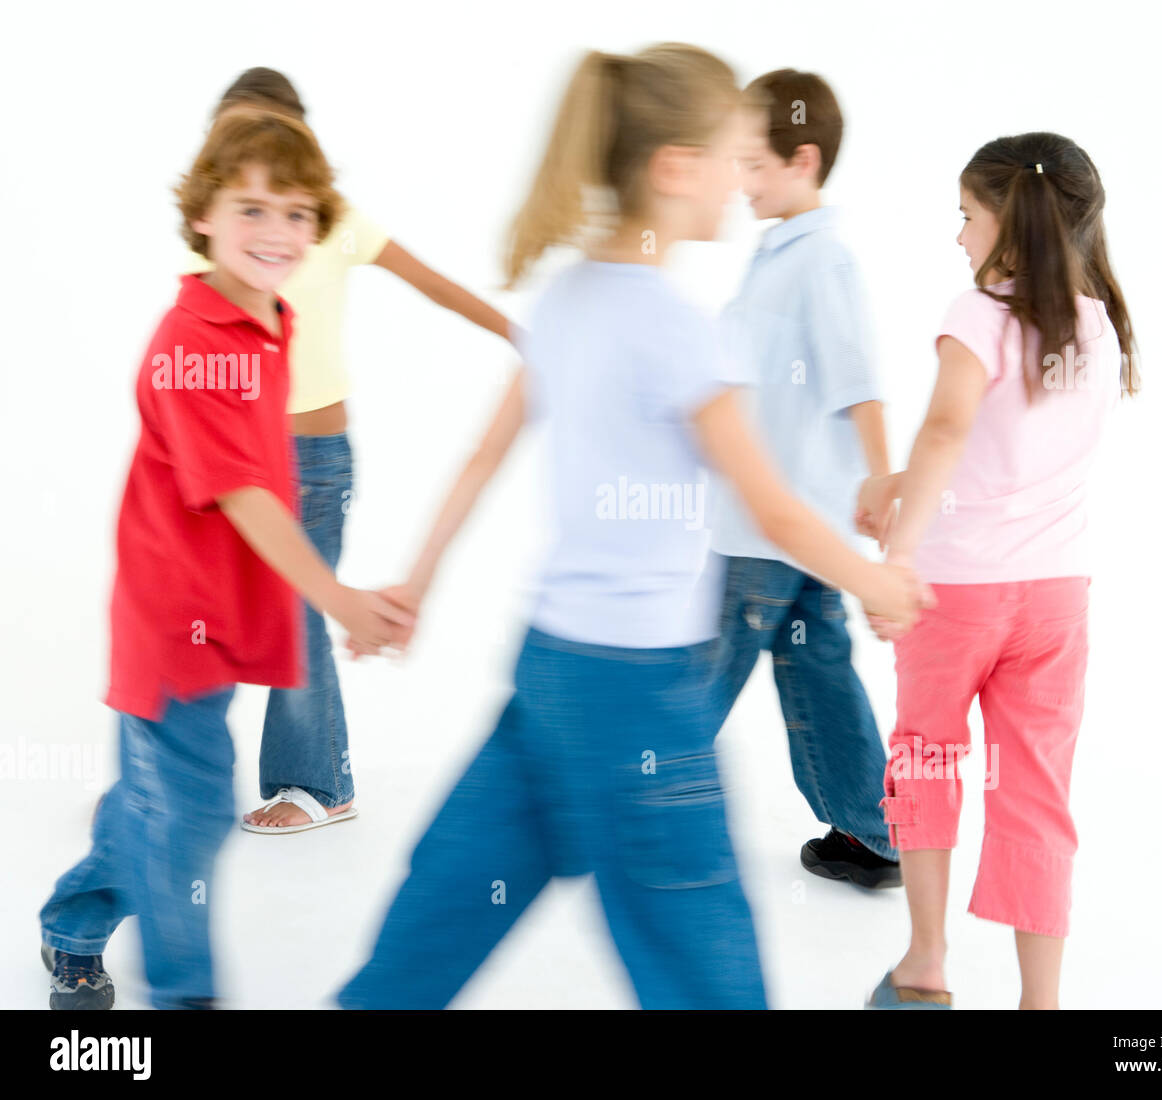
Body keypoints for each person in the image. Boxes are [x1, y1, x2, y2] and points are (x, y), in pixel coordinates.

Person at [336, 43, 927, 1010]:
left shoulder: (568, 296)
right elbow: (773, 504)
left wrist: (414, 583)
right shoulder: (676, 324)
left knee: (434, 923)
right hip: (640, 700)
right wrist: (876, 584)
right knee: (706, 965)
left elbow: (484, 457)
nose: (740, 183)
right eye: (730, 156)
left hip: (546, 675)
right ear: (673, 169)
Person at [40, 107, 413, 1010]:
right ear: (203, 214)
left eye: (294, 212)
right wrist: (339, 597)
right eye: (250, 209)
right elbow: (245, 495)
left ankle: (72, 926)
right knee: (197, 812)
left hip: (224, 614)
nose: (276, 232)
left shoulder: (270, 320)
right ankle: (183, 993)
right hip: (174, 623)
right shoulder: (195, 345)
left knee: (156, 801)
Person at [186, 68, 515, 834]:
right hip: (232, 461)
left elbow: (432, 284)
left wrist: (519, 332)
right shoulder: (228, 235)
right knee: (204, 614)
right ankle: (172, 778)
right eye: (228, 138)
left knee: (295, 610)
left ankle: (318, 784)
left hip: (311, 461)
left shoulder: (329, 221)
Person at [861, 132, 1138, 1010]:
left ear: (1010, 221)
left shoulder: (977, 313)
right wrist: (903, 481)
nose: (958, 237)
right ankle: (1041, 1003)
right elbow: (1014, 448)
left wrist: (898, 551)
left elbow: (950, 429)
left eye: (967, 216)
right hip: (1056, 601)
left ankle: (927, 964)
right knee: (1036, 791)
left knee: (927, 760)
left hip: (955, 593)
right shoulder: (1097, 326)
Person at [708, 69, 900, 888]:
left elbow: (859, 380)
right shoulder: (776, 255)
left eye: (755, 163)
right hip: (788, 522)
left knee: (697, 668)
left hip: (772, 524)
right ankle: (876, 834)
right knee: (817, 668)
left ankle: (629, 806)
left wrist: (884, 480)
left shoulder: (820, 262)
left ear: (804, 160)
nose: (740, 181)